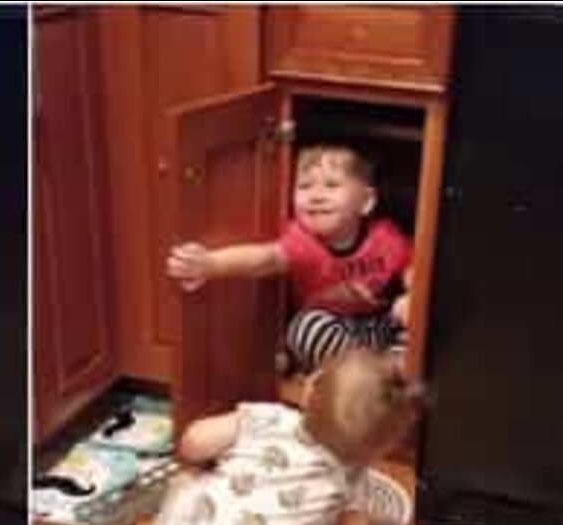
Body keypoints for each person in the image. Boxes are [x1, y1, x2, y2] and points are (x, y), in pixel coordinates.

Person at [154, 348, 424, 525]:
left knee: (187, 477)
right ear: (375, 454)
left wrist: (204, 465)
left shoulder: (266, 417)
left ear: (310, 388)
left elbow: (193, 441)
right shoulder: (352, 481)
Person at [167, 144, 412, 372]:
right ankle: (367, 373)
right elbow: (265, 258)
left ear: (366, 201)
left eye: (331, 185)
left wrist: (412, 297)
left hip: (379, 324)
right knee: (304, 328)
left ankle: (383, 367)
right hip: (331, 331)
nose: (316, 196)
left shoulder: (386, 237)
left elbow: (415, 266)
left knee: (412, 316)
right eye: (305, 186)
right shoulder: (302, 241)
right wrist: (211, 264)